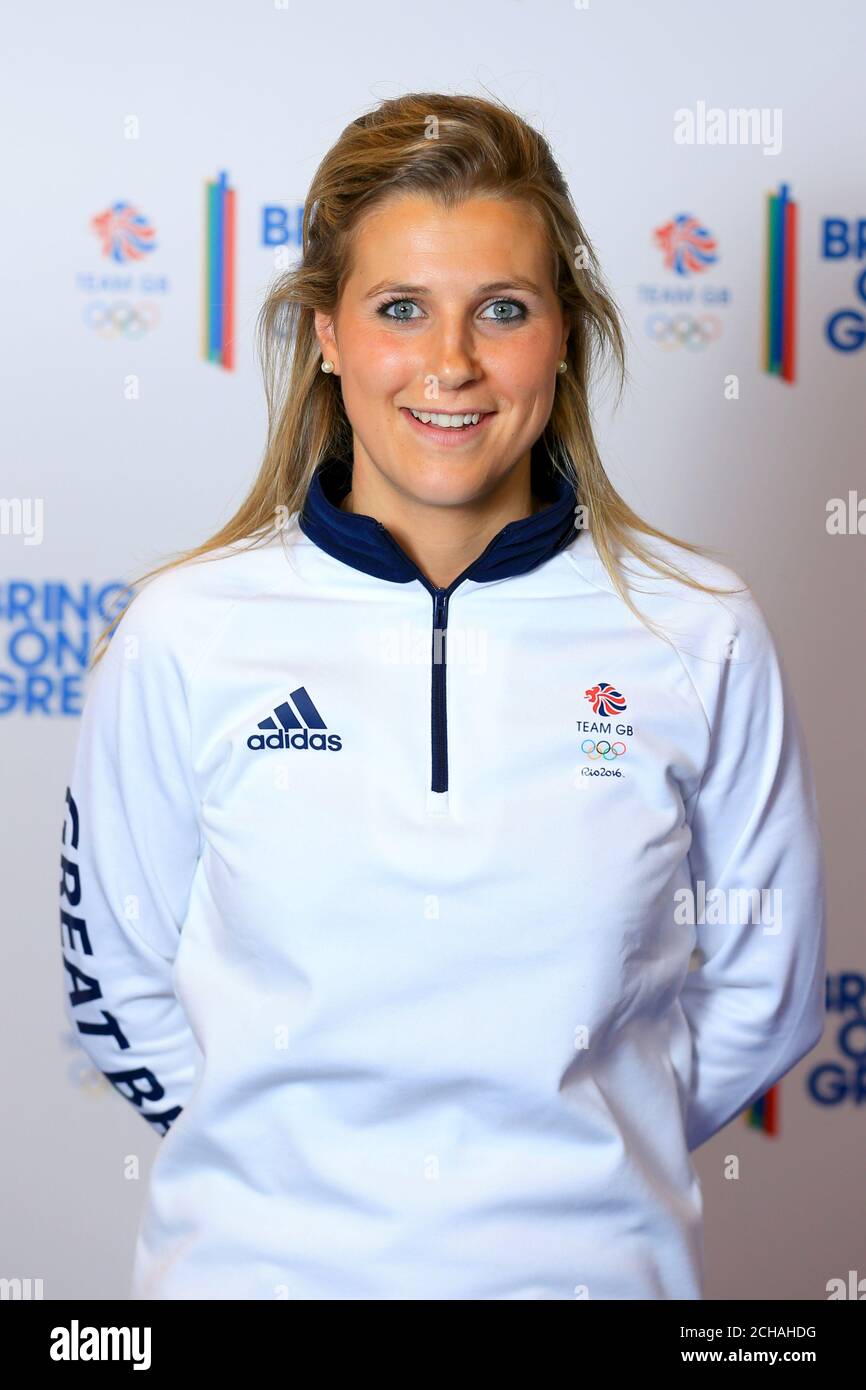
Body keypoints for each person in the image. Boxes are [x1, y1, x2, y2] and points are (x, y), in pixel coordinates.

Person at [58, 91, 827, 1300]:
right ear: (324, 333)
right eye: (400, 308)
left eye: (502, 311)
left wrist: (581, 1153)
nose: (451, 363)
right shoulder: (183, 632)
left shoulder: (696, 627)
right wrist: (282, 1177)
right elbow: (116, 979)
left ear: (563, 332)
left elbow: (766, 987)